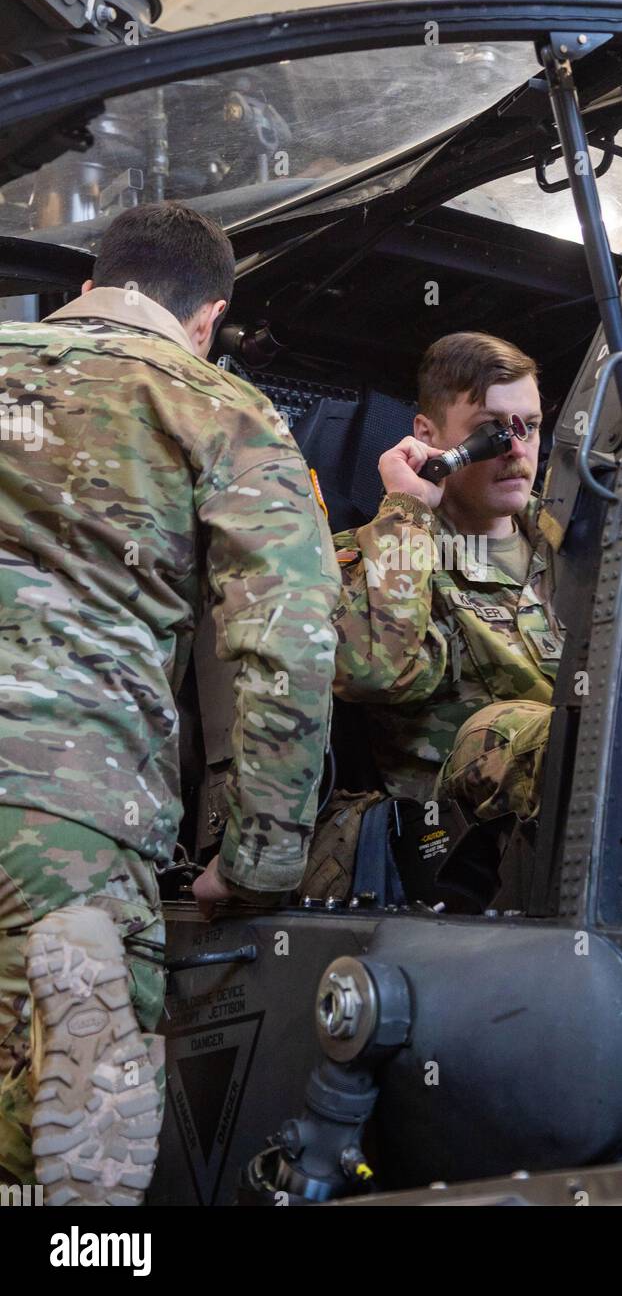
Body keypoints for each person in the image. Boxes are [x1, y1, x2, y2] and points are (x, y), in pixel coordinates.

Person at [0, 202, 340, 1204]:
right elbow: (289, 632)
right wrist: (259, 857)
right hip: (67, 826)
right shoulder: (218, 403)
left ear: (87, 287)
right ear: (209, 317)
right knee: (63, 1174)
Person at [331, 332, 560, 828]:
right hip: (461, 833)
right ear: (427, 435)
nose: (516, 449)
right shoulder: (374, 555)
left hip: (602, 786)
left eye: (530, 426)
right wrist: (408, 508)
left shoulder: (579, 545)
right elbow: (376, 672)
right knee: (502, 729)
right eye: (490, 430)